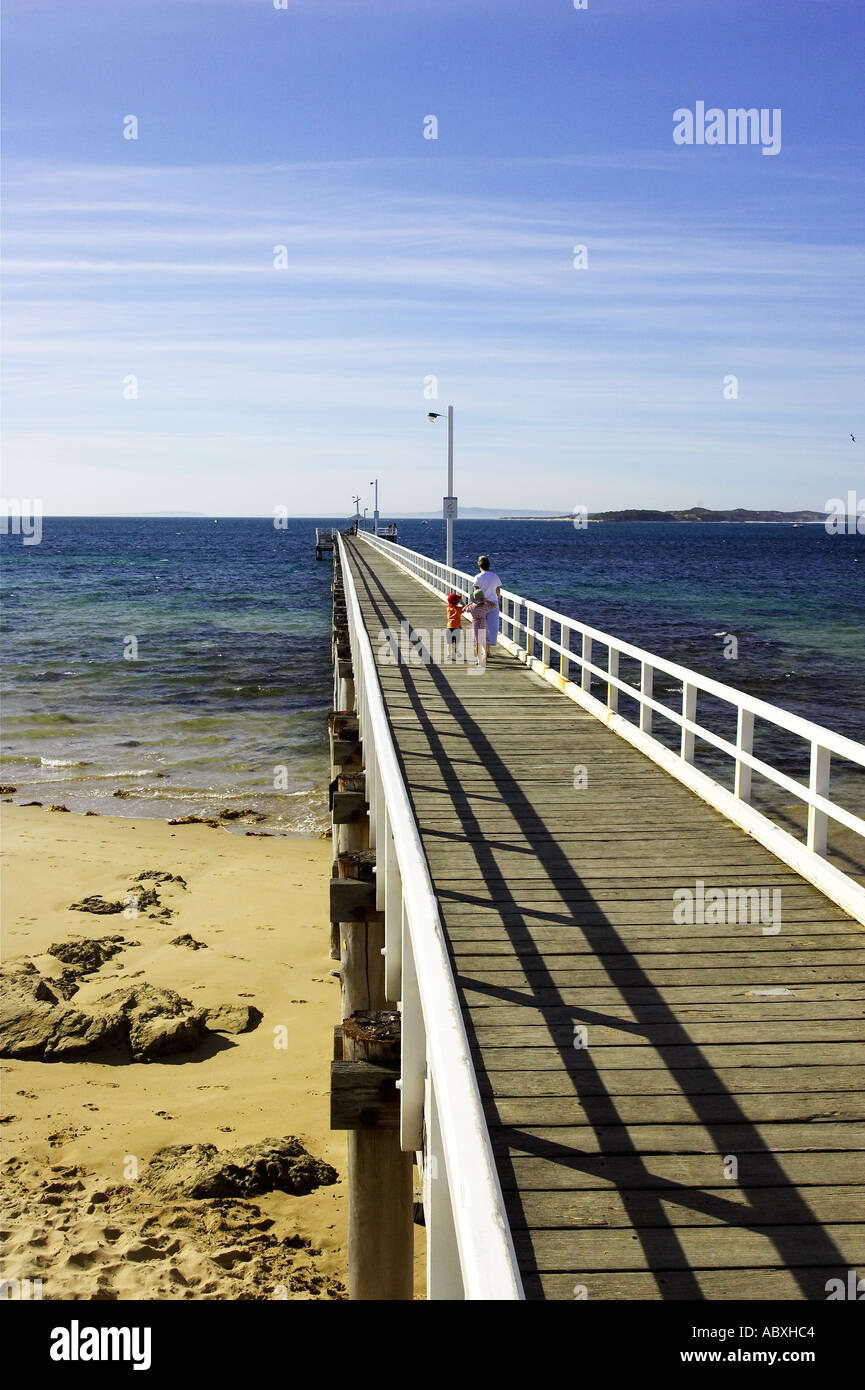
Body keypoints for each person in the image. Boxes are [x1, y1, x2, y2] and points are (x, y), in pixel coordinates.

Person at [473, 555, 502, 652]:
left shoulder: (478, 577)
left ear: (479, 565)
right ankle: (488, 650)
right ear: (489, 565)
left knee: (481, 627)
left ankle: (481, 650)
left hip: (482, 605)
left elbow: (477, 594)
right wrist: (497, 600)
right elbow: (498, 590)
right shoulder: (495, 576)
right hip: (493, 604)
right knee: (492, 628)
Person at [465, 586, 495, 664]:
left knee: (478, 643)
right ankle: (484, 658)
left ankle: (479, 660)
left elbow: (464, 609)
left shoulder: (471, 607)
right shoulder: (485, 606)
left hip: (475, 625)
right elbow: (494, 605)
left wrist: (470, 603)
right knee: (484, 642)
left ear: (474, 599)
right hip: (483, 624)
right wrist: (486, 600)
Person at [444, 591, 465, 661]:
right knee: (457, 642)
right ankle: (457, 651)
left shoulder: (448, 609)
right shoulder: (458, 609)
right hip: (456, 628)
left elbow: (451, 604)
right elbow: (465, 608)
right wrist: (462, 602)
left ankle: (448, 655)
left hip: (449, 627)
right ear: (457, 602)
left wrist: (456, 600)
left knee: (449, 643)